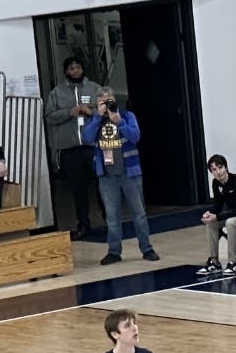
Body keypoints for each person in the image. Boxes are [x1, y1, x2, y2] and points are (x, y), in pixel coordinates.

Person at [83, 87, 157, 264]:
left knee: (139, 213)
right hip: (107, 176)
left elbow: (135, 137)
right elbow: (86, 138)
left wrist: (119, 121)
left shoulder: (127, 116)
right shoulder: (95, 120)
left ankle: (147, 248)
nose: (107, 105)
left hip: (130, 173)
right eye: (103, 101)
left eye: (109, 101)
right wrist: (98, 117)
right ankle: (114, 251)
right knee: (112, 216)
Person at [44, 56, 101, 240]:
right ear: (66, 72)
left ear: (83, 69)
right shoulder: (57, 93)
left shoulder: (94, 88)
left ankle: (110, 219)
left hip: (93, 147)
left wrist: (90, 110)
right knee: (78, 189)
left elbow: (106, 108)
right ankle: (83, 224)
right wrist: (70, 112)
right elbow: (50, 116)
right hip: (70, 149)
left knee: (102, 184)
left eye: (78, 67)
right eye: (71, 68)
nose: (75, 71)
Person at [197, 153, 236, 276]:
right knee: (211, 222)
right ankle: (214, 262)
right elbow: (218, 205)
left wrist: (218, 216)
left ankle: (233, 263)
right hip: (235, 211)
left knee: (231, 222)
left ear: (226, 167)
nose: (218, 172)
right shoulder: (216, 183)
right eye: (214, 169)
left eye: (220, 167)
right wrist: (210, 214)